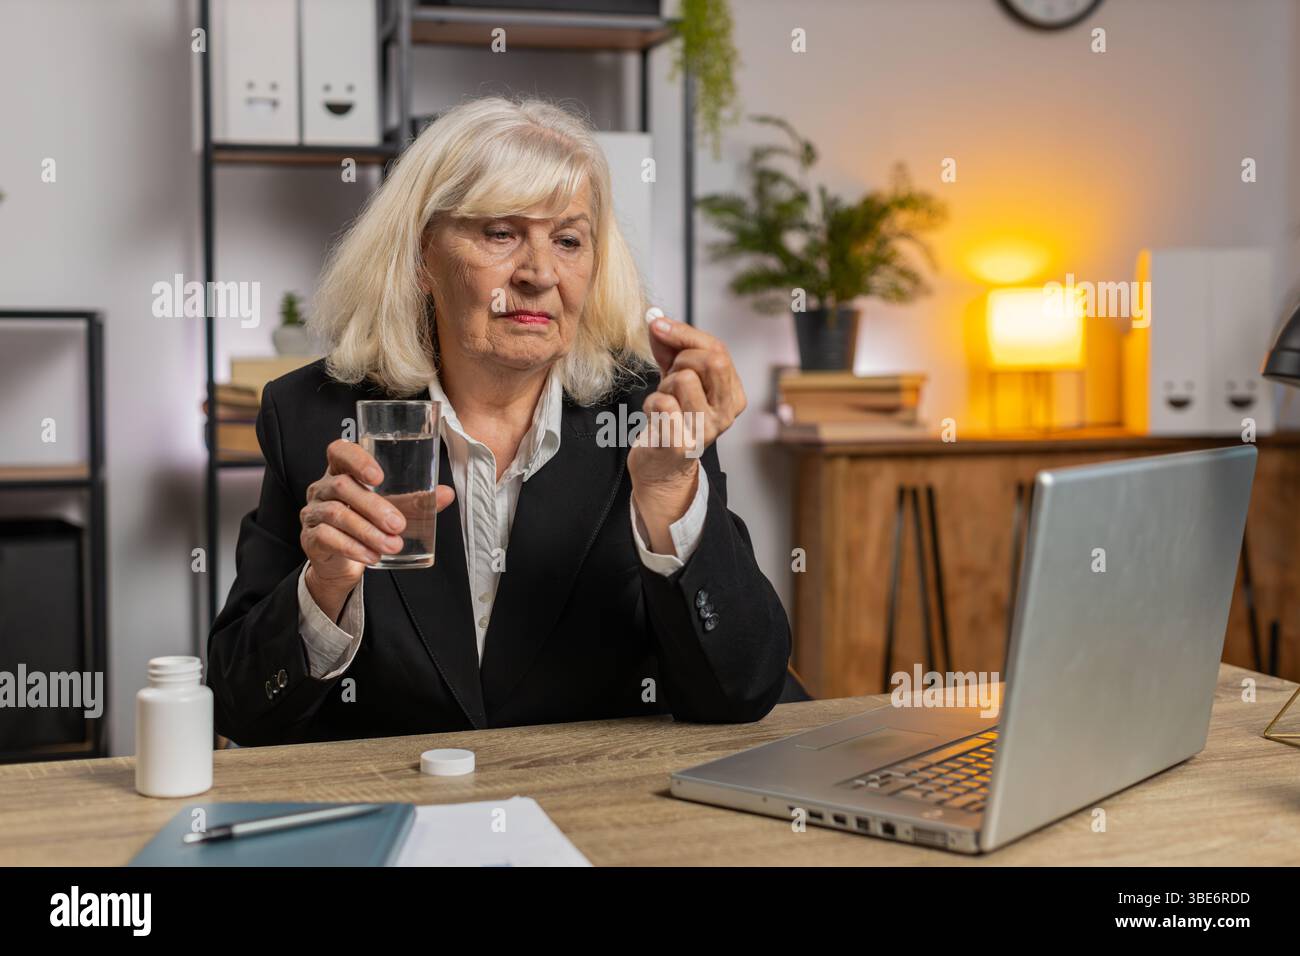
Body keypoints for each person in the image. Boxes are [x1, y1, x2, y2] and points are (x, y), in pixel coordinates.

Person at [207, 95, 792, 745]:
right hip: (394, 811)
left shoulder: (651, 415)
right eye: (501, 233)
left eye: (568, 240)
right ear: (422, 257)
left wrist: (669, 492)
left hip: (598, 812)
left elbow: (741, 690)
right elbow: (240, 710)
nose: (540, 274)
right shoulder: (311, 414)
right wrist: (325, 586)